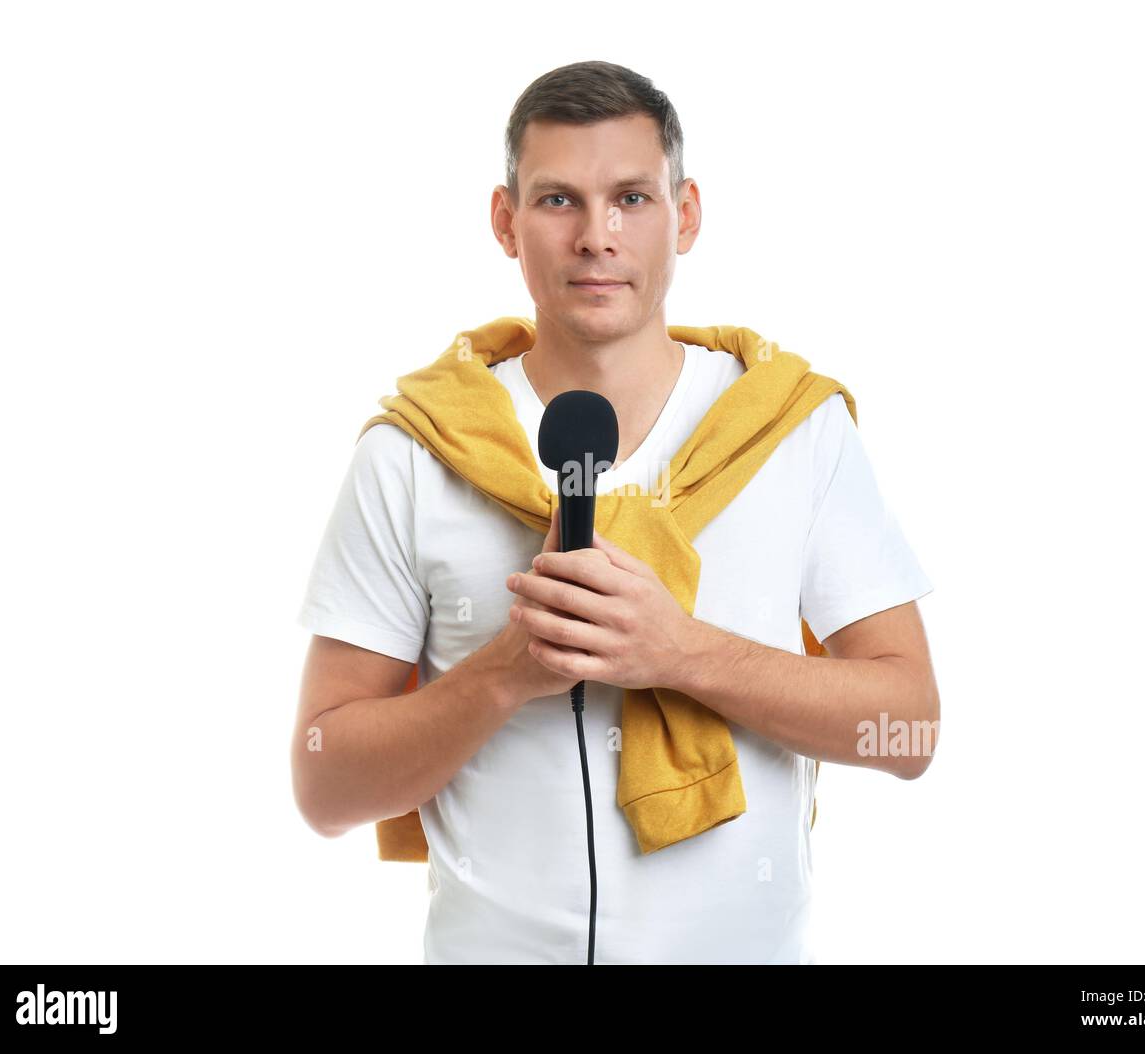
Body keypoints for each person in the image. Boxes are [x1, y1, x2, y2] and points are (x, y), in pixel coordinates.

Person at [291, 60, 940, 964]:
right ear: (505, 223)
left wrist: (681, 654)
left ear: (686, 215)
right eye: (558, 201)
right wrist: (507, 673)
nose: (598, 236)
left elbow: (909, 729)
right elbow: (324, 783)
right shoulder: (411, 454)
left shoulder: (796, 433)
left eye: (632, 197)